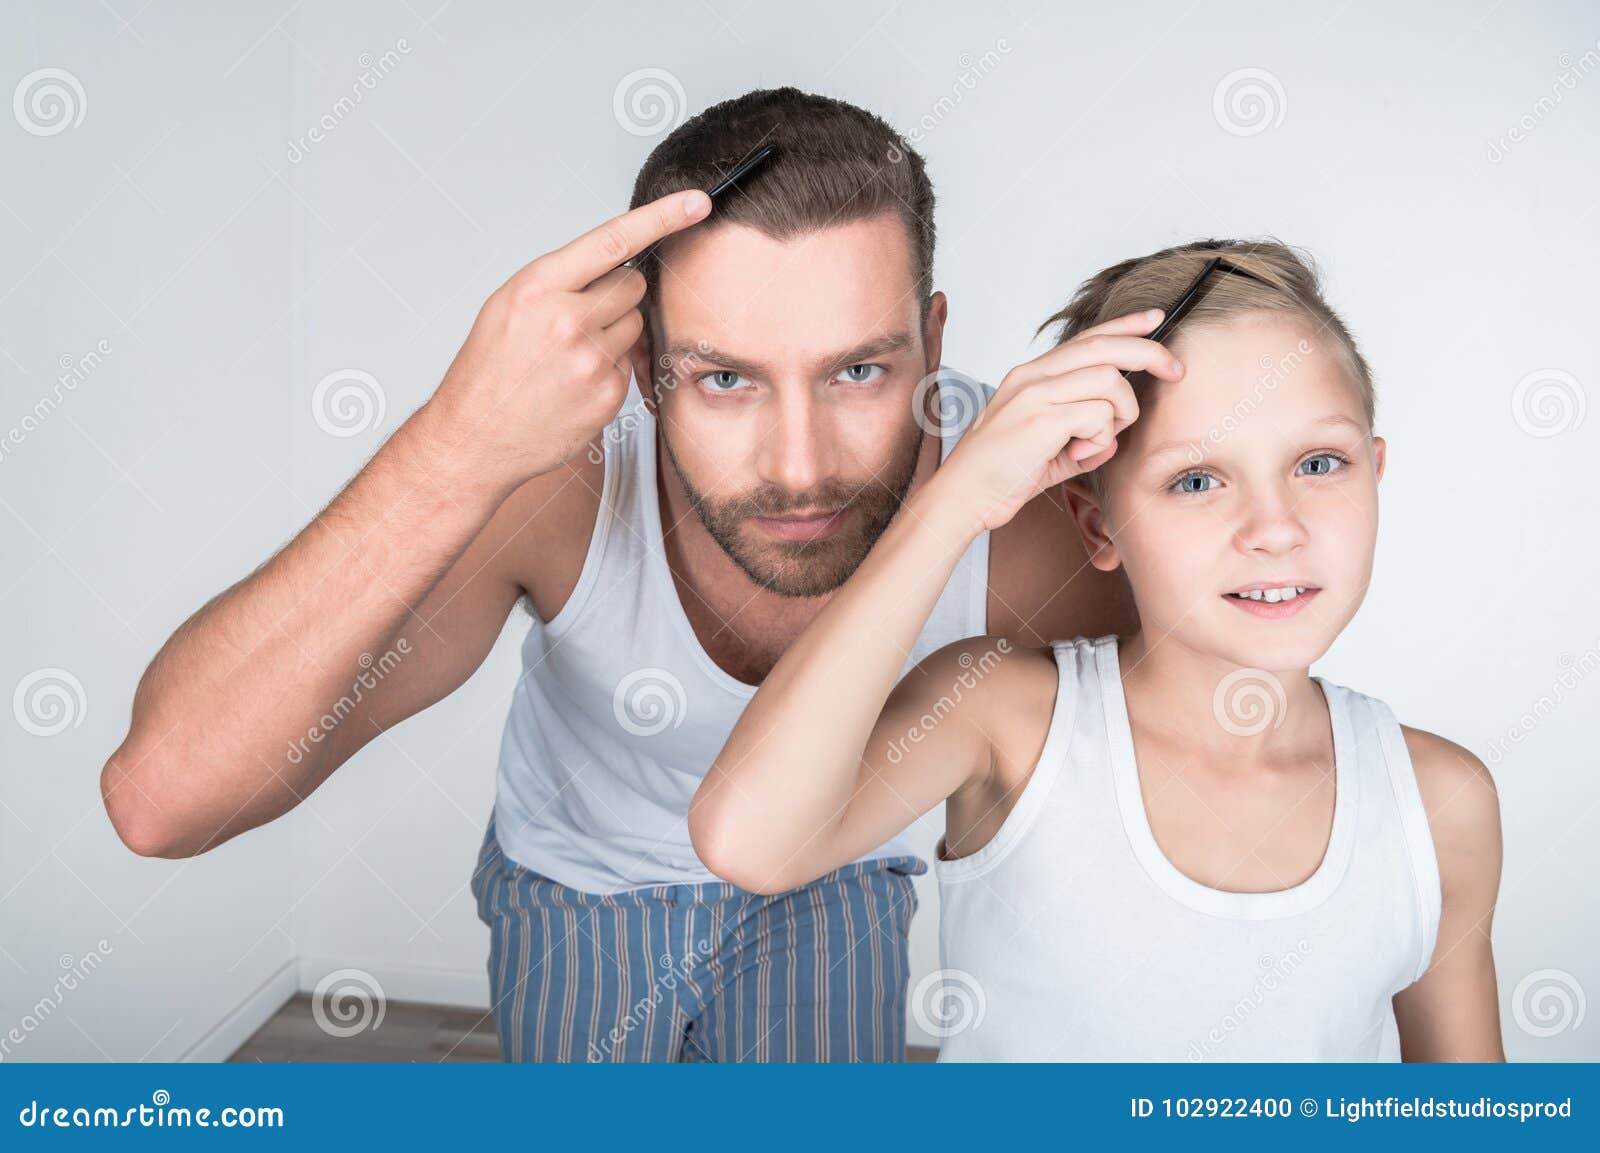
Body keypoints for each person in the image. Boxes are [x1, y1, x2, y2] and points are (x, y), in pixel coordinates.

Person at [99, 88, 1140, 1061]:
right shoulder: (558, 476)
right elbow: (164, 803)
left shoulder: (1033, 516)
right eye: (724, 378)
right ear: (644, 371)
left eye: (858, 370)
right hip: (580, 881)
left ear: (933, 341)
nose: (800, 464)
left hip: (836, 870)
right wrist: (455, 440)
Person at [690, 239, 1506, 1061]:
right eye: (1196, 480)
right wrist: (954, 503)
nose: (1275, 528)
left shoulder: (1438, 804)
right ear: (1097, 524)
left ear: (1376, 469)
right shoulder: (1004, 718)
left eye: (1318, 463)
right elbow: (751, 842)